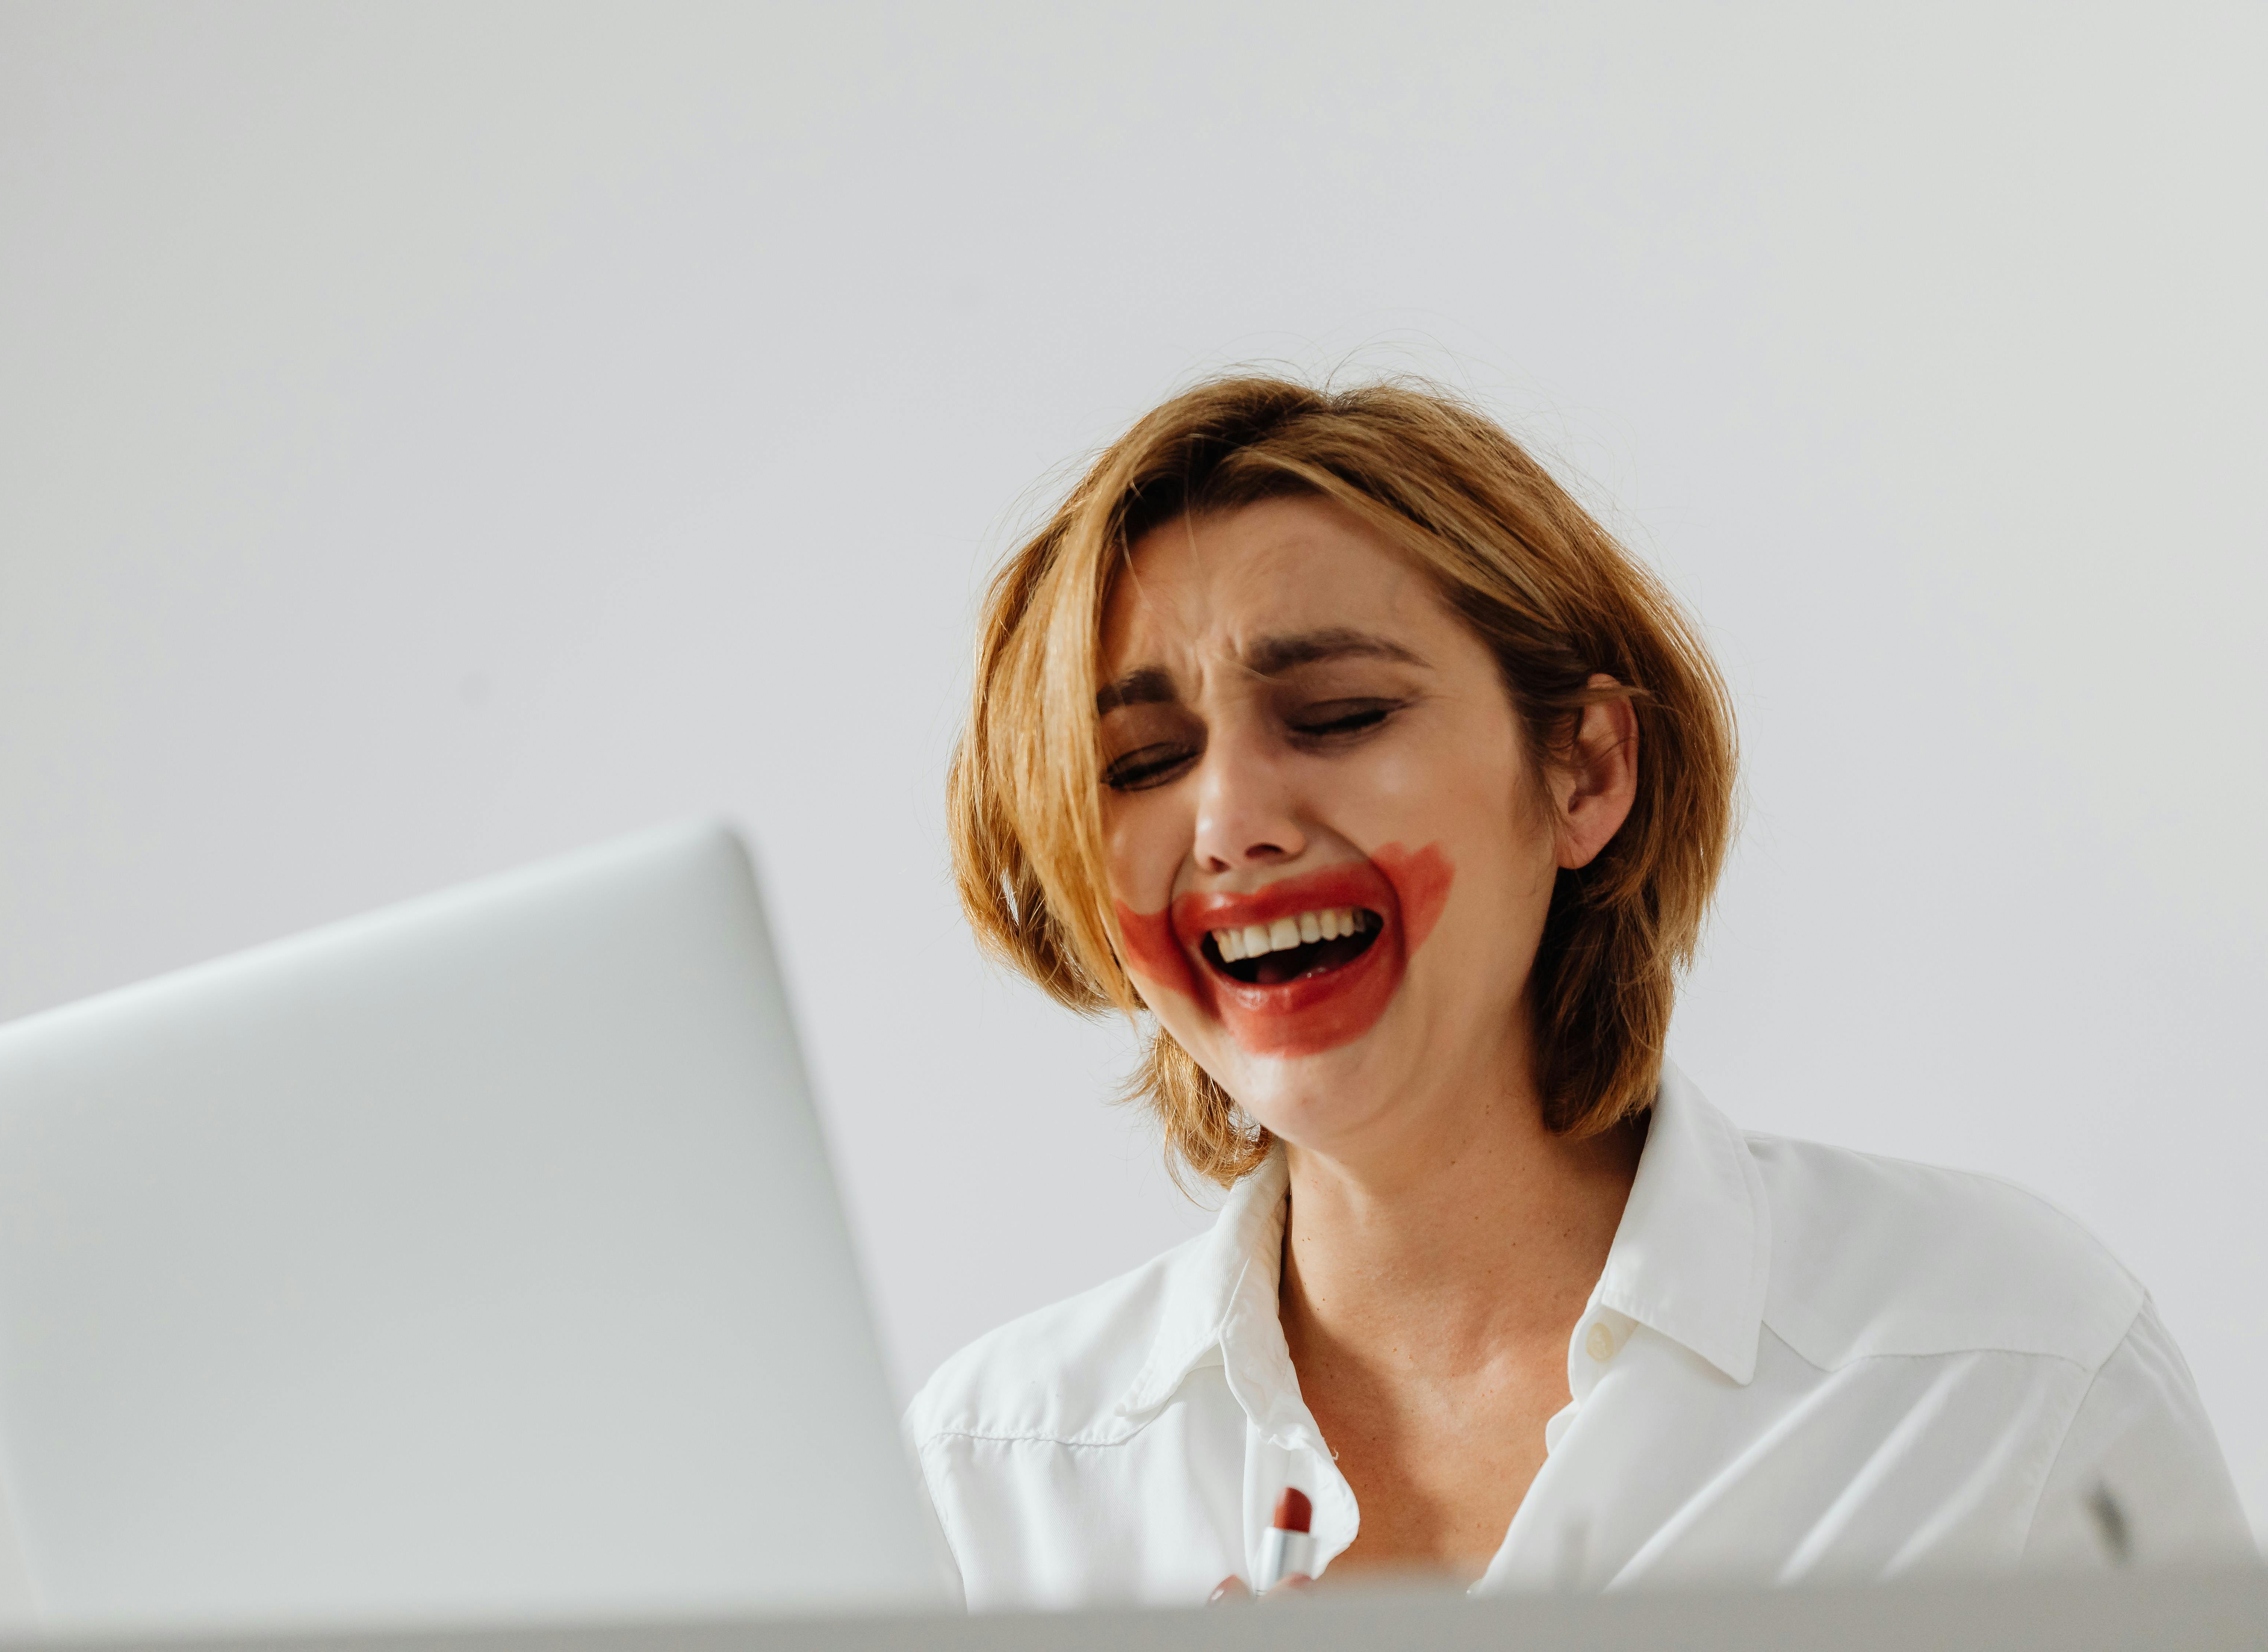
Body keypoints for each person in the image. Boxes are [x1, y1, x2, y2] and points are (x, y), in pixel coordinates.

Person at [906, 375, 2251, 1610]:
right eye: (1140, 761)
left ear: (1587, 772)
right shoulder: (992, 1482)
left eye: (1339, 717)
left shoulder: (2007, 1371)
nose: (1233, 821)